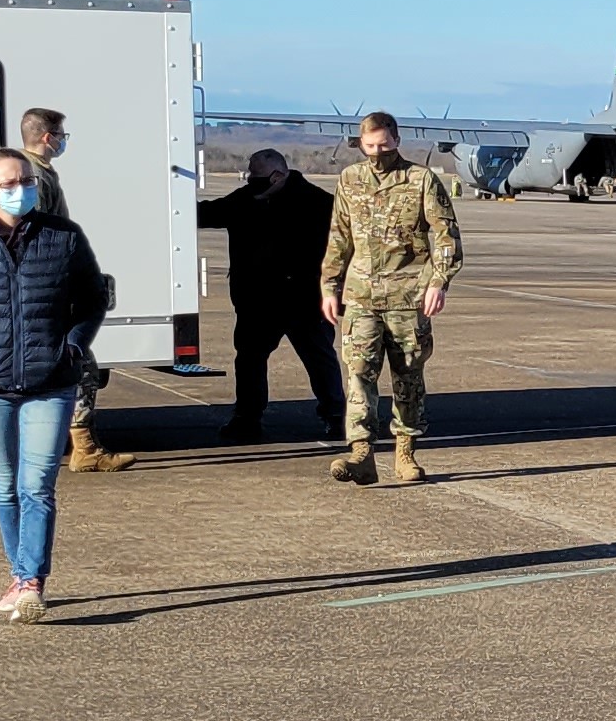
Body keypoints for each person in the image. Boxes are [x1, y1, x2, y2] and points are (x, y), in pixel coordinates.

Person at [0, 144, 111, 625]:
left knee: (38, 486)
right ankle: (19, 574)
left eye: (25, 181)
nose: (20, 190)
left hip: (50, 381)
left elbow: (93, 299)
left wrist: (71, 346)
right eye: (8, 184)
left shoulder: (64, 238)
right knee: (4, 487)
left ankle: (30, 581)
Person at [319, 110, 463, 487]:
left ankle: (405, 451)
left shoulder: (421, 181)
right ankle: (361, 452)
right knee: (359, 374)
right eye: (369, 147)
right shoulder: (349, 180)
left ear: (397, 140)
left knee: (408, 375)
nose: (377, 153)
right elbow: (339, 237)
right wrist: (329, 287)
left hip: (408, 295)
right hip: (361, 296)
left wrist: (438, 282)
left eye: (383, 145)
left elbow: (447, 237)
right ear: (360, 144)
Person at [197, 147, 344, 440]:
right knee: (249, 360)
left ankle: (337, 417)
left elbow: (344, 250)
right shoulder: (245, 200)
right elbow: (207, 214)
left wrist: (337, 292)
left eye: (258, 178)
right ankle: (247, 419)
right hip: (256, 302)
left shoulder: (319, 203)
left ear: (278, 175)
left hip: (305, 301)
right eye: (250, 177)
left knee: (319, 359)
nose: (253, 183)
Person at [18, 106, 133, 475]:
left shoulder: (33, 171)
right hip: (47, 288)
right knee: (78, 364)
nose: (64, 142)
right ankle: (85, 450)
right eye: (62, 136)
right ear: (48, 138)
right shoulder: (33, 175)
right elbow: (35, 235)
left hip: (44, 286)